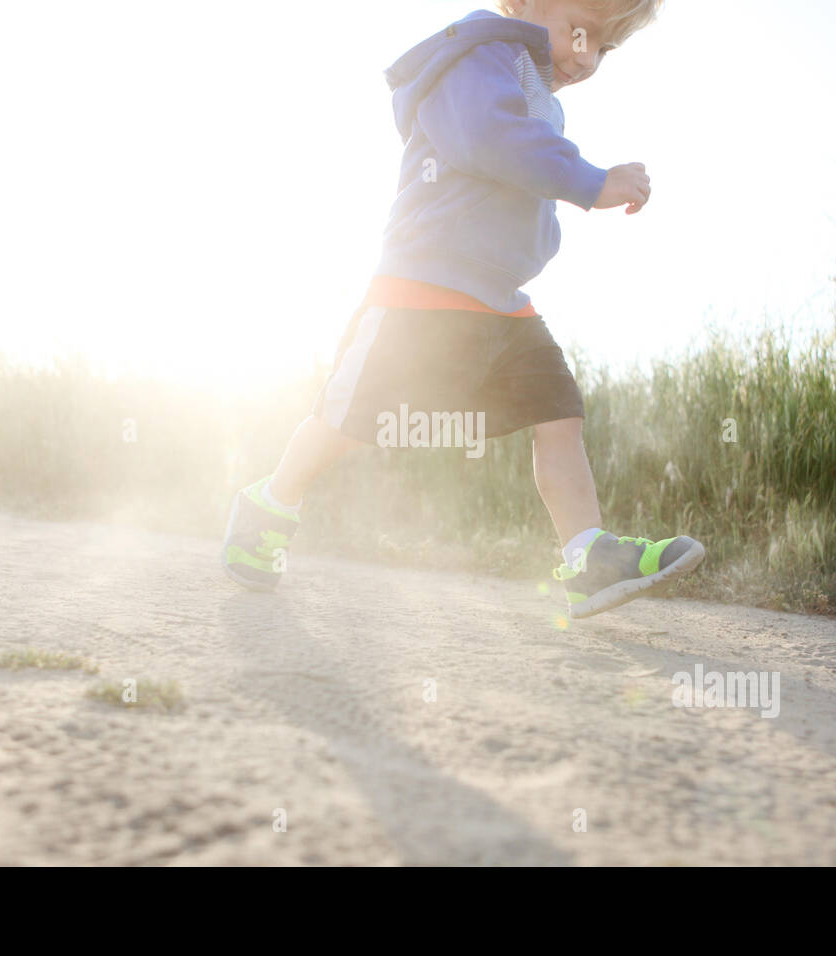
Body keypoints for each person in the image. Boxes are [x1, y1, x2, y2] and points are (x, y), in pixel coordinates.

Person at [223, 1, 704, 618]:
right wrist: (589, 181)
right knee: (350, 420)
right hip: (422, 285)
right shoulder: (477, 55)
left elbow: (523, 182)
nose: (586, 56)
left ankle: (587, 556)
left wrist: (543, 233)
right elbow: (490, 140)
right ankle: (268, 505)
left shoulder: (541, 96)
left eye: (603, 48)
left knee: (559, 411)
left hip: (502, 301)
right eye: (580, 32)